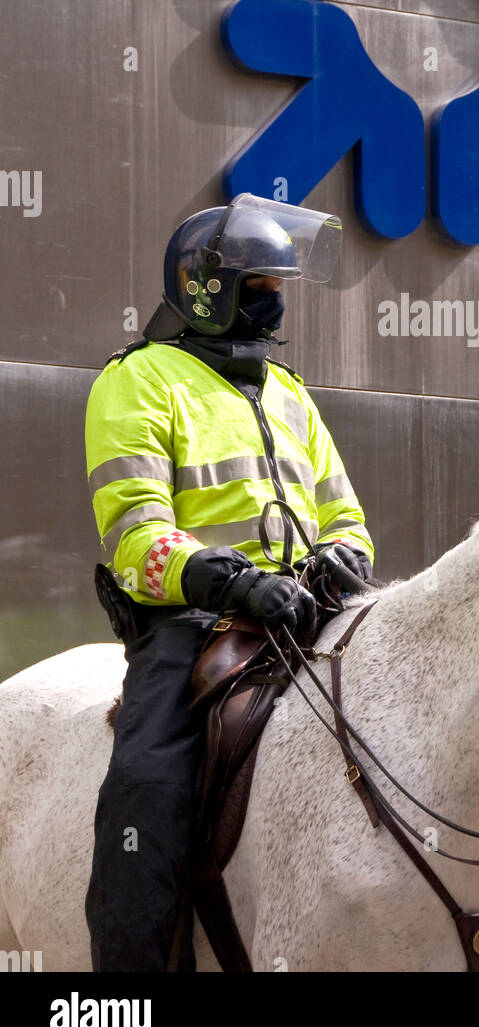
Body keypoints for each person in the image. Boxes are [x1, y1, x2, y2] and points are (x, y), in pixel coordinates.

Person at [84, 194, 374, 972]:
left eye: (281, 282)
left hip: (309, 614)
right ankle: (128, 994)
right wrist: (235, 584)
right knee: (146, 784)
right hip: (194, 626)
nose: (276, 298)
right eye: (259, 284)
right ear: (205, 289)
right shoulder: (139, 379)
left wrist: (342, 558)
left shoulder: (289, 392)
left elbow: (345, 515)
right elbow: (133, 537)